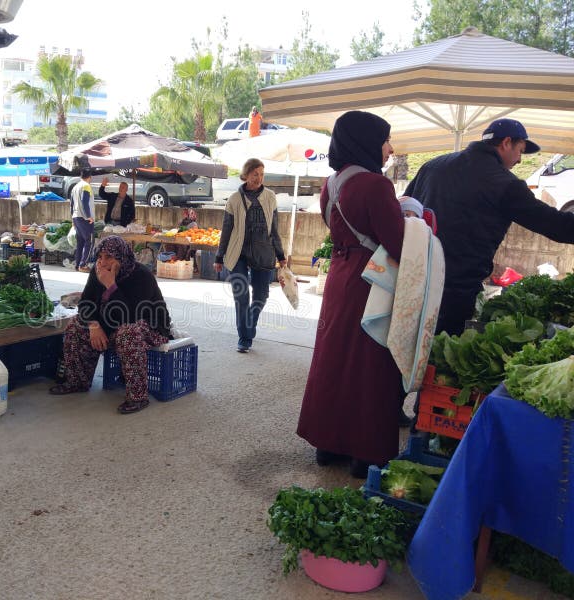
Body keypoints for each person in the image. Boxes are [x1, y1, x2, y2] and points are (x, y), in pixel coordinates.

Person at [296, 110, 405, 479]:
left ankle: (327, 444)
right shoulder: (376, 185)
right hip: (370, 282)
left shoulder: (332, 183)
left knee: (333, 360)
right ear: (367, 141)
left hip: (340, 278)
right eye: (385, 139)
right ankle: (365, 452)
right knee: (369, 365)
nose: (389, 148)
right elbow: (398, 242)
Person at [405, 117, 574, 336]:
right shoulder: (504, 184)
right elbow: (554, 224)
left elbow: (404, 207)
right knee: (440, 352)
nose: (520, 160)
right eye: (520, 151)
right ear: (506, 143)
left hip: (415, 276)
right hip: (457, 287)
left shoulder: (432, 166)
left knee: (408, 343)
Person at [50, 235, 173, 414]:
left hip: (149, 327)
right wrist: (93, 325)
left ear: (121, 257)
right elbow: (85, 303)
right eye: (100, 256)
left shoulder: (141, 275)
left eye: (109, 257)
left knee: (127, 333)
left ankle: (138, 397)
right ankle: (77, 382)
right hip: (111, 323)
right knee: (76, 326)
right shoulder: (97, 271)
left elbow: (131, 316)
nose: (102, 262)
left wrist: (110, 285)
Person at [213, 158, 286, 353]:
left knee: (261, 296)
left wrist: (281, 255)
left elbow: (275, 229)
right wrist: (219, 257)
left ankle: (250, 323)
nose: (259, 178)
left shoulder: (270, 197)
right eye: (255, 174)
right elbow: (226, 230)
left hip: (264, 253)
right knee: (241, 295)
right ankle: (244, 338)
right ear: (246, 175)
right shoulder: (234, 199)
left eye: (262, 174)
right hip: (238, 254)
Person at [70, 170, 95, 273]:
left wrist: (72, 218)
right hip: (84, 218)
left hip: (76, 217)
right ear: (90, 176)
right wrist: (88, 216)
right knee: (89, 241)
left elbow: (71, 204)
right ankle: (83, 265)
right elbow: (85, 201)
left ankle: (77, 264)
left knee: (80, 242)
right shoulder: (86, 186)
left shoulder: (75, 187)